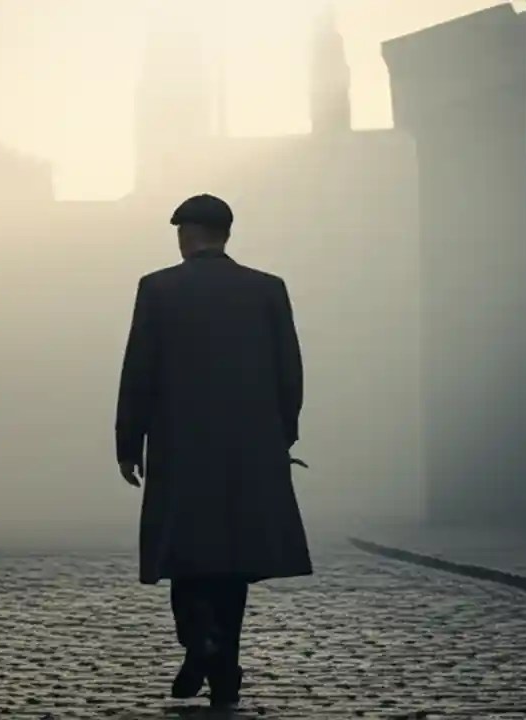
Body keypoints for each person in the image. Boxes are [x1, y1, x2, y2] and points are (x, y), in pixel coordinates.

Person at [115, 193, 313, 709]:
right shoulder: (268, 290)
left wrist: (128, 441)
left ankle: (199, 640)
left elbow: (140, 371)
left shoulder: (157, 289)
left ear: (185, 233)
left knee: (186, 554)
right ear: (226, 232)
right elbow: (289, 371)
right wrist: (281, 434)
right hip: (250, 448)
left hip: (181, 448)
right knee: (233, 560)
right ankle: (221, 659)